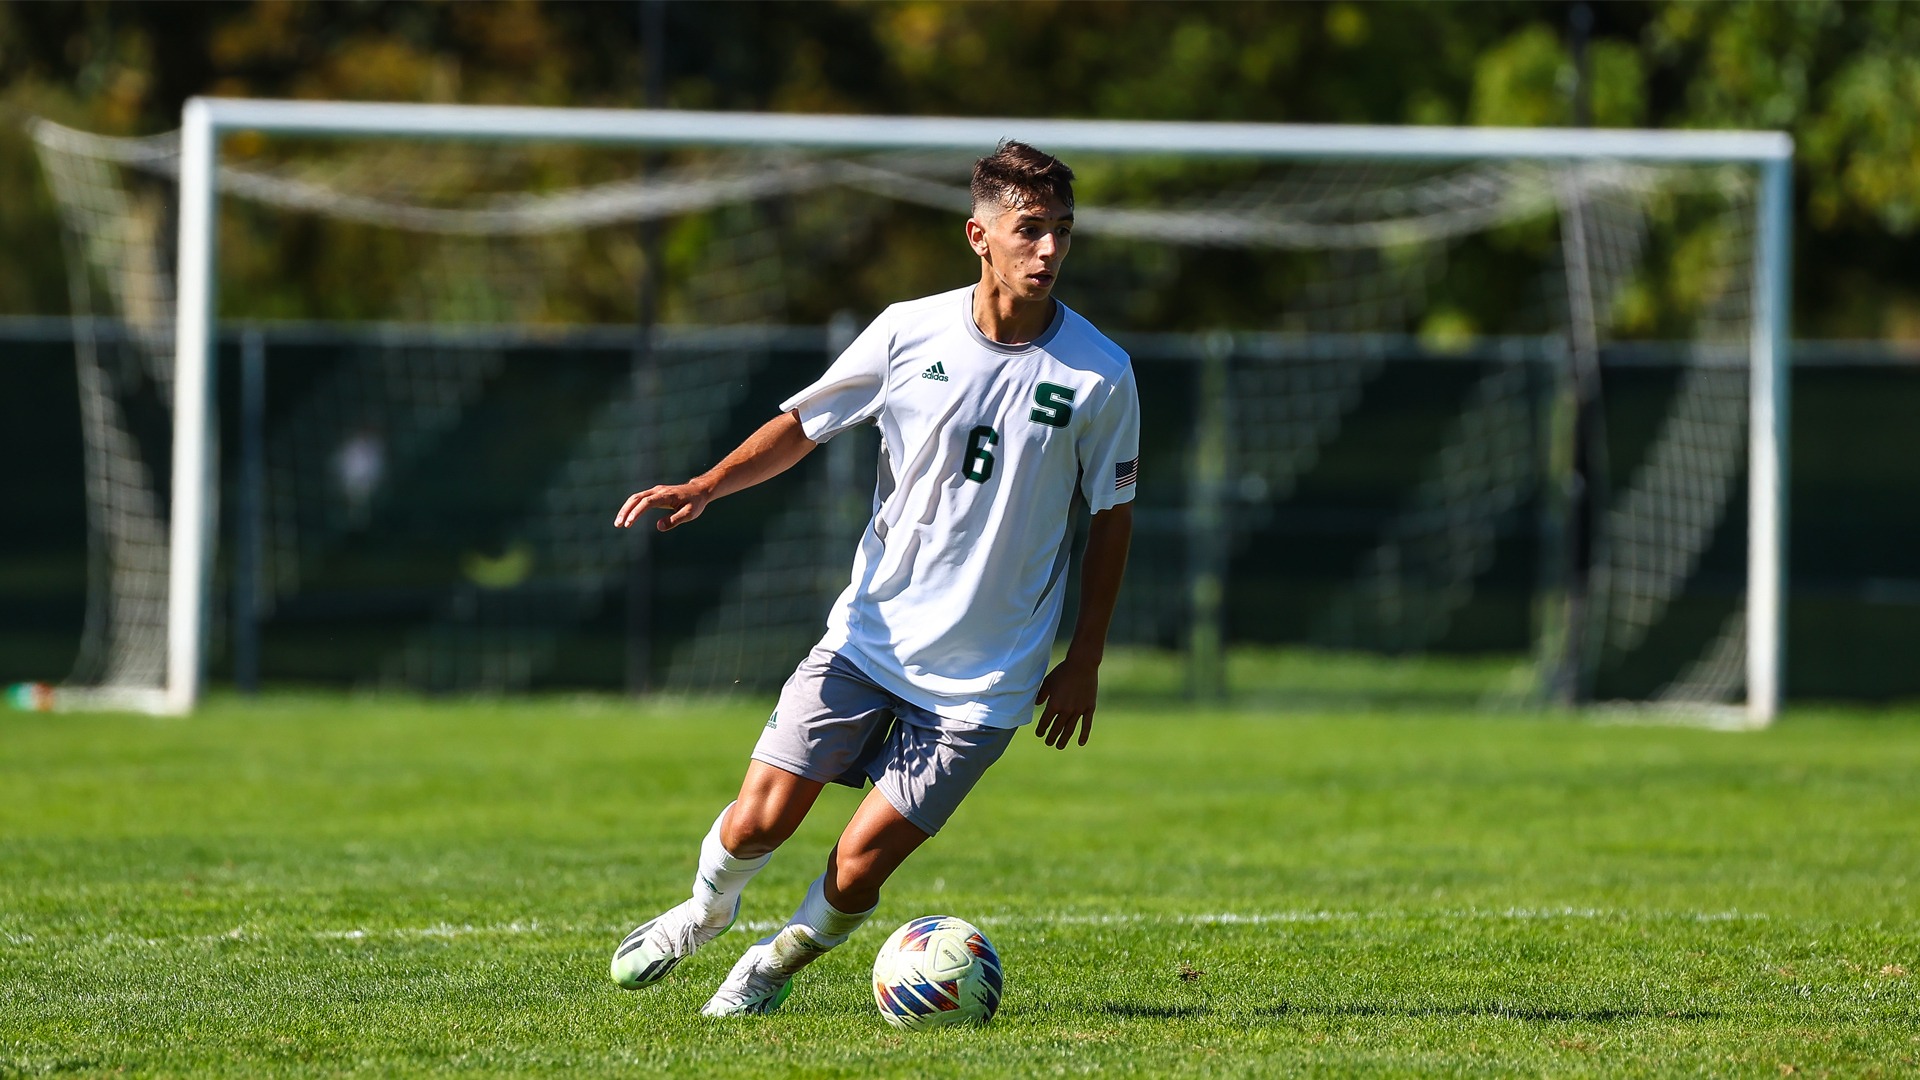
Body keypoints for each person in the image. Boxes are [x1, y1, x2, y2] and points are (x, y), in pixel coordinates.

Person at [609, 140, 1139, 1017]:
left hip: (987, 678)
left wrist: (1084, 659)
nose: (1047, 251)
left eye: (1062, 233)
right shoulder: (907, 330)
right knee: (755, 824)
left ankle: (769, 968)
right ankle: (705, 912)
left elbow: (1112, 519)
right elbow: (803, 423)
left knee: (858, 866)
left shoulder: (1100, 373)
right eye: (1029, 230)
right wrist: (706, 484)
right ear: (980, 234)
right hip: (870, 636)